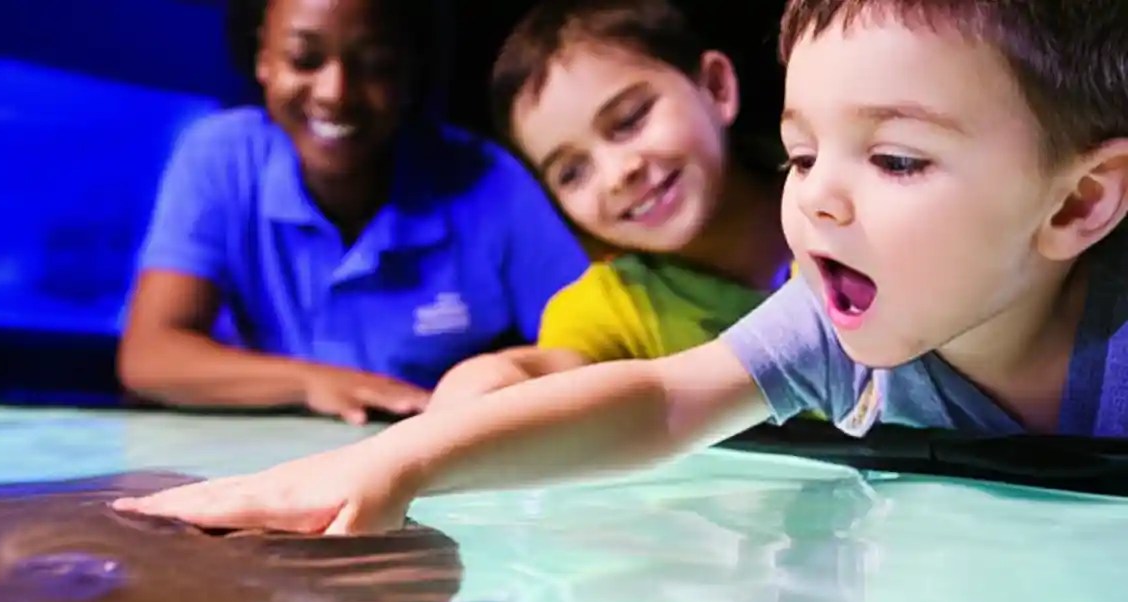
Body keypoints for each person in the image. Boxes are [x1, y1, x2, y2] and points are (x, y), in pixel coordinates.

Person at [113, 0, 1128, 534]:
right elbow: (654, 399)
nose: (816, 198)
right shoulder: (827, 333)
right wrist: (398, 461)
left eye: (896, 158)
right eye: (801, 153)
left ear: (1079, 202)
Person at [116, 0, 588, 425]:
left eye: (375, 65)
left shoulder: (489, 181)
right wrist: (317, 383)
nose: (335, 93)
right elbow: (150, 356)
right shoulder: (221, 156)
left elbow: (592, 350)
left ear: (409, 73)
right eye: (305, 60)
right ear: (263, 58)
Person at [428, 0, 791, 411]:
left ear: (715, 87)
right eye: (572, 173)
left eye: (630, 119)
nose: (618, 174)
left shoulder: (852, 200)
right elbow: (552, 371)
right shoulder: (611, 308)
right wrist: (493, 380)